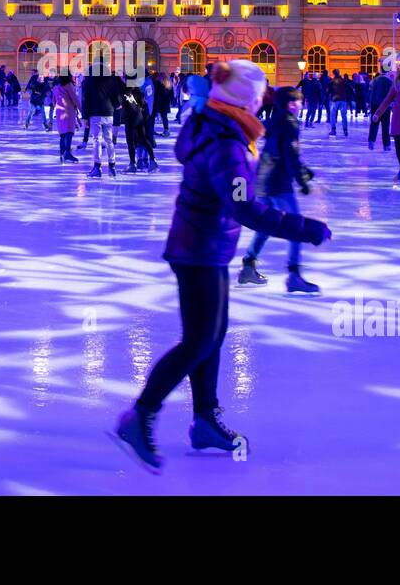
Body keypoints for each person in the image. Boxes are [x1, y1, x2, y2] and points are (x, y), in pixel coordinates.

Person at [115, 61, 330, 470]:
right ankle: (140, 415)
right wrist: (305, 228)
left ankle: (204, 421)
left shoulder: (214, 125)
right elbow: (245, 206)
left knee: (211, 337)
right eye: (257, 95)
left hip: (205, 246)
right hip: (198, 249)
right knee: (198, 341)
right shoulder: (228, 144)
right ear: (244, 100)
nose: (261, 103)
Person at [241, 87, 320, 293]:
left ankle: (249, 265)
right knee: (296, 226)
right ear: (288, 104)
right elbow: (289, 155)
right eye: (296, 102)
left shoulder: (276, 120)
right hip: (278, 183)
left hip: (263, 180)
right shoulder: (290, 123)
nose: (300, 105)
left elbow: (279, 150)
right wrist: (302, 180)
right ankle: (294, 275)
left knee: (267, 224)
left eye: (300, 101)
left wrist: (304, 171)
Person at [82, 57, 122, 178]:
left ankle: (97, 167)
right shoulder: (112, 79)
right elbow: (116, 97)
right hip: (109, 113)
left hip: (95, 114)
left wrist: (85, 116)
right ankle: (112, 166)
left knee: (97, 140)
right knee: (109, 140)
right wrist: (117, 105)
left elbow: (85, 100)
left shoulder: (88, 80)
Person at [53, 73, 82, 162]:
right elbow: (75, 99)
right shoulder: (68, 86)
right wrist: (82, 110)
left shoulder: (56, 87)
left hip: (59, 112)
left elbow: (53, 100)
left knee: (62, 134)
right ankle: (67, 153)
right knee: (69, 132)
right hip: (68, 111)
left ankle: (62, 153)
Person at [368, 69, 393, 150]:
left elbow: (371, 94)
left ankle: (371, 141)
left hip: (375, 105)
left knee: (374, 124)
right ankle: (386, 145)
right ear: (388, 72)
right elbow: (392, 94)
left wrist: (370, 105)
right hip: (386, 106)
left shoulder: (374, 80)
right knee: (385, 126)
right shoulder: (390, 81)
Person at [328, 69, 350, 136]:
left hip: (334, 99)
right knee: (344, 115)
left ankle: (333, 129)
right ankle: (345, 130)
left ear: (334, 74)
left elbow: (328, 90)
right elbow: (348, 89)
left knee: (333, 115)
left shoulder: (331, 81)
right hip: (343, 99)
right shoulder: (344, 81)